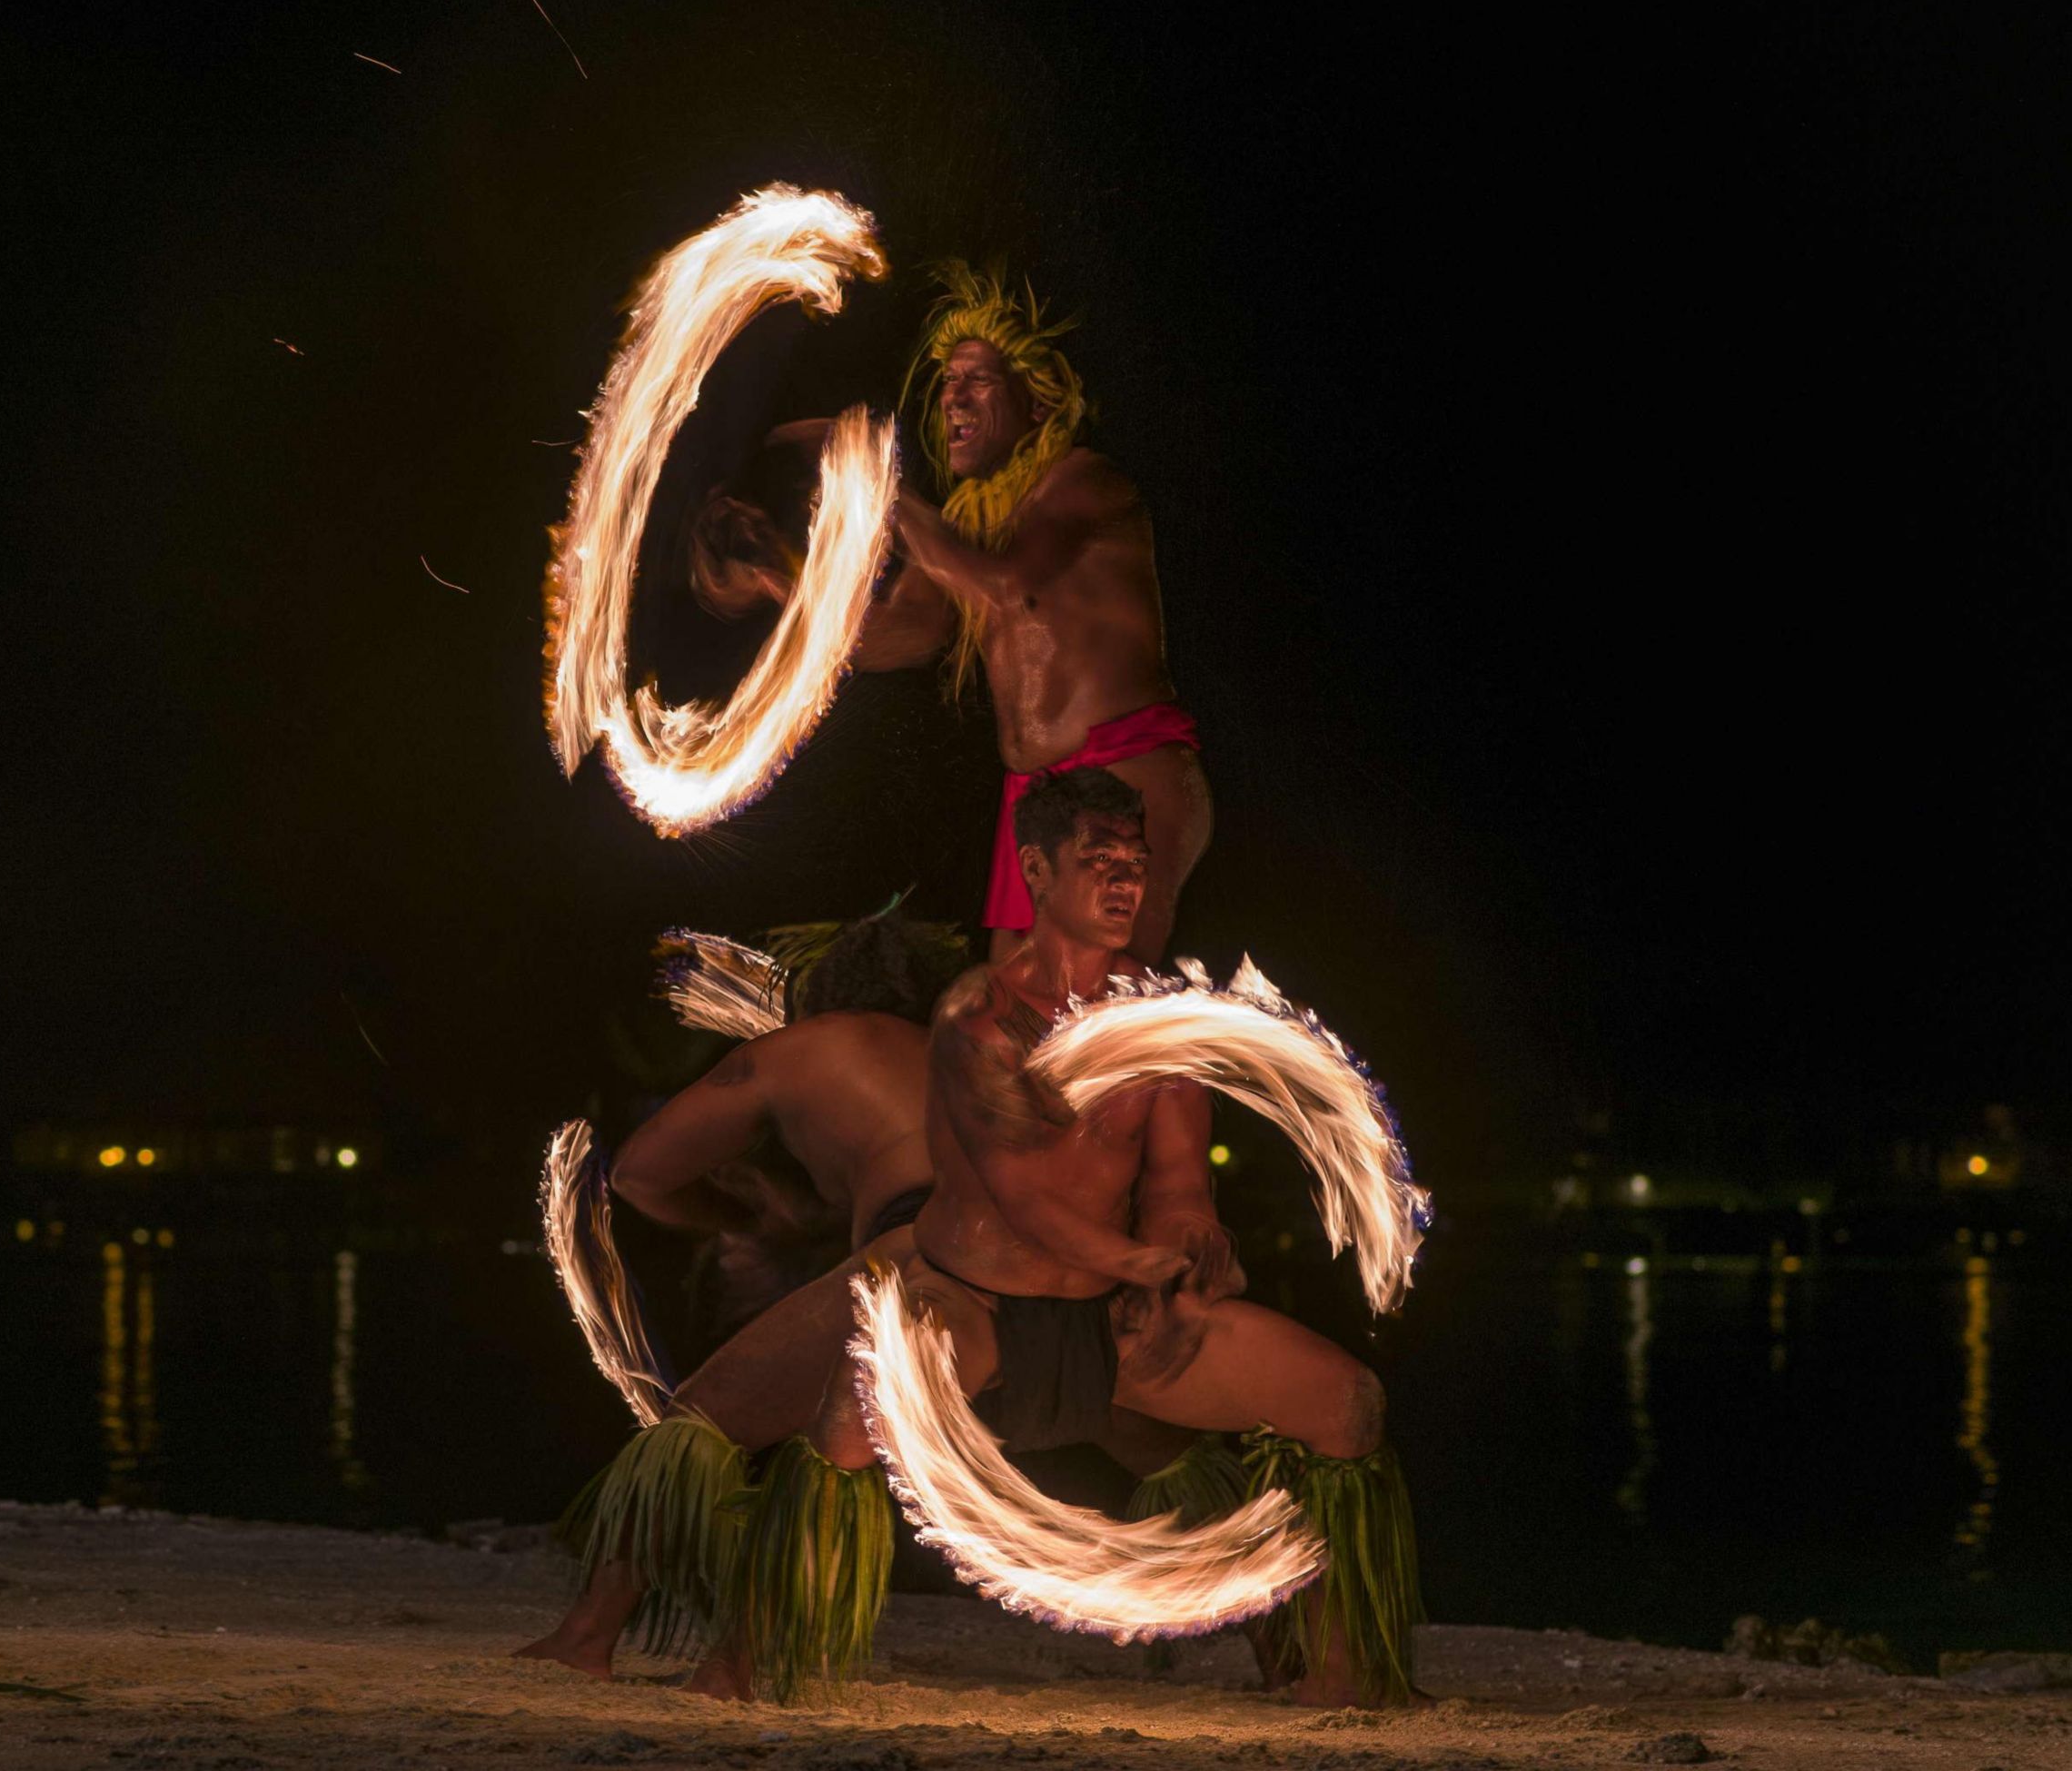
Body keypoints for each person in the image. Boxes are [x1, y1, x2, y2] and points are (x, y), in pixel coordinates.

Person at [858, 765, 1419, 1707]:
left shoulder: (1162, 1024)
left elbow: (1178, 1184)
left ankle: (1338, 1671)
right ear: (1036, 870)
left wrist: (1188, 1260)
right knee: (835, 1420)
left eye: (1136, 861)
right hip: (971, 1306)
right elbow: (1023, 1198)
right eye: (1098, 860)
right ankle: (736, 1657)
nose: (1126, 881)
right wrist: (1139, 1261)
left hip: (1105, 1319)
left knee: (1345, 1402)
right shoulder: (978, 1018)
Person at [689, 264, 1209, 964]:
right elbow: (900, 636)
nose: (952, 397)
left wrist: (877, 477)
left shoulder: (1082, 481)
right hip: (1034, 798)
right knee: (1009, 1005)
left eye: (978, 380)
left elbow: (1004, 585)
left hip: (1127, 771)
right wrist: (775, 580)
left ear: (1036, 405)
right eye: (947, 382)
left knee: (1107, 995)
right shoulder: (965, 529)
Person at [511, 908, 957, 1700]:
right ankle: (735, 1662)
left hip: (919, 1249)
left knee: (697, 1426)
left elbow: (640, 1174)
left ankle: (586, 1639)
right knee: (829, 1455)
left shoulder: (803, 1047)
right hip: (1029, 1269)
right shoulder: (971, 1055)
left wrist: (739, 1221)